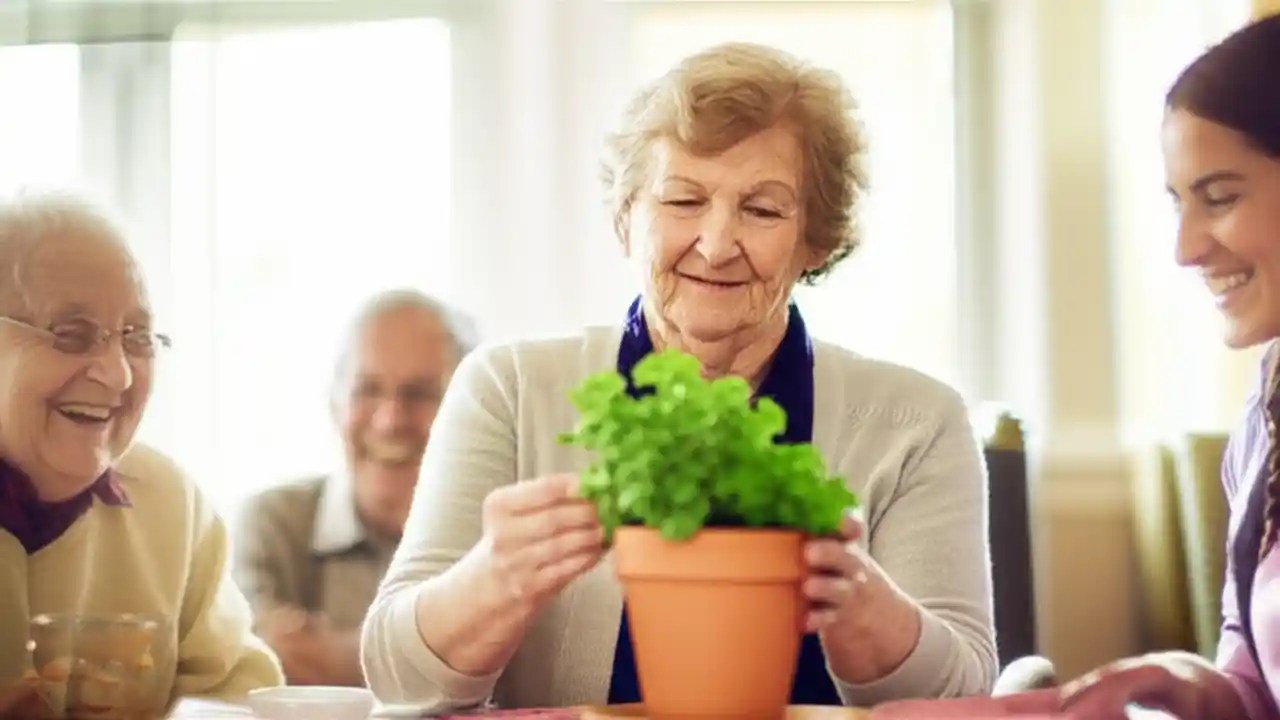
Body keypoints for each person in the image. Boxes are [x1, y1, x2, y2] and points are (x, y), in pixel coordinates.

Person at [361, 42, 997, 710]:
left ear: (816, 241)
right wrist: (493, 580)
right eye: (683, 200)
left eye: (763, 210)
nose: (717, 245)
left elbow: (965, 696)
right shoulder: (507, 388)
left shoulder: (919, 421)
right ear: (625, 217)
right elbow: (397, 680)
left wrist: (868, 611)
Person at [876, 14, 1280, 720]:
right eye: (1178, 203)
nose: (1185, 248)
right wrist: (1173, 681)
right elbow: (1252, 685)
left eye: (1220, 198)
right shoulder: (1265, 416)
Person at [0, 189, 282, 710]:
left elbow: (240, 696)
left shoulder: (170, 506)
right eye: (72, 334)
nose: (119, 373)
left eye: (136, 337)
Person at [234, 289, 475, 687]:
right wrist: (442, 653)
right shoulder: (274, 522)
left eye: (419, 395)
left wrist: (336, 652)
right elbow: (261, 665)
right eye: (367, 390)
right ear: (335, 403)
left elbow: (512, 674)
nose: (389, 420)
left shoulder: (493, 533)